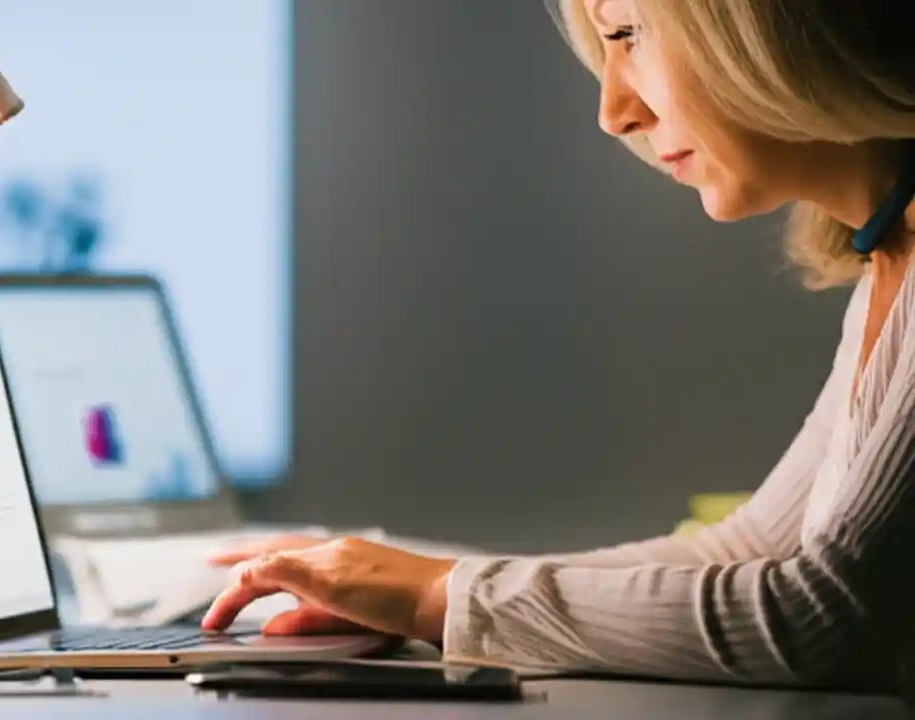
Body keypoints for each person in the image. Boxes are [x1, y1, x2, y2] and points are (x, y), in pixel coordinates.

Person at [201, 0, 915, 690]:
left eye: (629, 32)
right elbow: (747, 552)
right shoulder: (891, 260)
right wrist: (394, 576)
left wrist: (438, 596)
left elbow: (833, 620)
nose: (615, 113)